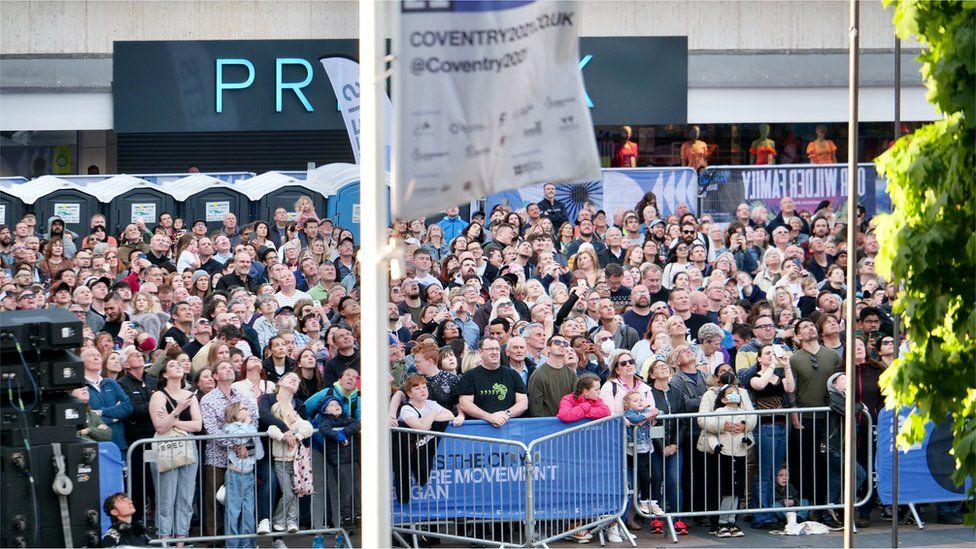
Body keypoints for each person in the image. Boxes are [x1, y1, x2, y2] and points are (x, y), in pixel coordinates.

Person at [739, 344, 795, 528]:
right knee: (763, 472)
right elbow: (761, 384)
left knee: (773, 471)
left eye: (773, 353)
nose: (772, 356)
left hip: (780, 426)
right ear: (759, 359)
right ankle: (761, 515)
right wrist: (771, 366)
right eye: (767, 353)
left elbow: (790, 388)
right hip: (764, 427)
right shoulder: (754, 378)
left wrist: (786, 365)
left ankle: (768, 510)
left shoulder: (778, 377)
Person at [149, 359, 202, 547]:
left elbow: (197, 425)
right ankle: (164, 539)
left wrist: (174, 421)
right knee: (166, 496)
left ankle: (181, 540)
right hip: (166, 447)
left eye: (179, 364)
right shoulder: (158, 396)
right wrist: (178, 410)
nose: (178, 366)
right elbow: (160, 426)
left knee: (186, 497)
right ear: (164, 374)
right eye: (172, 365)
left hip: (188, 446)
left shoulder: (190, 395)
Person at [699, 384, 756, 538]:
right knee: (724, 489)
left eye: (736, 393)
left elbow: (750, 434)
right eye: (730, 393)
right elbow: (711, 433)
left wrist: (746, 440)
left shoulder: (744, 413)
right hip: (723, 454)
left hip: (739, 454)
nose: (734, 395)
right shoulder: (718, 412)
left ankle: (731, 520)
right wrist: (716, 446)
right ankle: (721, 521)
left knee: (736, 490)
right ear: (723, 399)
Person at [266, 382, 314, 534]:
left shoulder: (297, 424)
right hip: (281, 462)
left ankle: (292, 520)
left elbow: (308, 427)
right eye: (292, 412)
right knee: (287, 492)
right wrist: (284, 437)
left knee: (295, 491)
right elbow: (271, 430)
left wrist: (297, 436)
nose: (295, 414)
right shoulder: (279, 425)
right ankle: (279, 519)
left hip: (295, 463)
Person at [646, 359, 686, 534]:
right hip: (655, 447)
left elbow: (683, 421)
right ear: (652, 374)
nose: (663, 368)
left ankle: (678, 519)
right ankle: (656, 518)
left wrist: (675, 444)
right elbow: (651, 423)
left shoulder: (677, 392)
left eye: (665, 366)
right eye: (658, 367)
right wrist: (662, 446)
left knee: (674, 480)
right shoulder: (649, 393)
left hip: (674, 444)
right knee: (656, 480)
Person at [457, 337, 528, 427]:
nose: (494, 352)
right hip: (479, 431)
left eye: (497, 349)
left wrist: (506, 414)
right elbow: (465, 404)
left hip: (509, 429)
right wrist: (489, 417)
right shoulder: (470, 376)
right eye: (490, 349)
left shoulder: (513, 374)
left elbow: (523, 402)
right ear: (480, 352)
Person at [222, 401, 263, 548]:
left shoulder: (250, 426)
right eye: (243, 409)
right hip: (235, 474)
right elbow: (238, 439)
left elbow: (258, 452)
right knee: (233, 512)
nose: (247, 410)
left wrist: (247, 444)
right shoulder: (230, 427)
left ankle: (248, 545)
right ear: (235, 413)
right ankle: (232, 545)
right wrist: (246, 424)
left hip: (249, 473)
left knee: (248, 512)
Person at [527, 335, 579, 417]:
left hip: (569, 422)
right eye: (557, 342)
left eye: (565, 343)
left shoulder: (571, 374)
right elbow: (536, 409)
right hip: (547, 425)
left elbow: (576, 401)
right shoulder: (538, 375)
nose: (562, 345)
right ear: (548, 349)